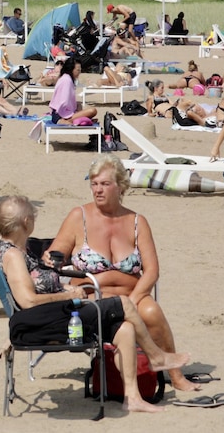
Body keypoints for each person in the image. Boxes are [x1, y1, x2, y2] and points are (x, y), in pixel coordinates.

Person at [0, 195, 190, 412]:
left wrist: (66, 289)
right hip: (47, 321)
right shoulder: (12, 255)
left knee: (124, 329)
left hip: (49, 314)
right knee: (122, 304)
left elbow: (34, 289)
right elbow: (28, 301)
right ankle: (156, 356)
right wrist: (67, 296)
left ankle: (132, 398)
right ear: (27, 223)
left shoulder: (16, 250)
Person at [44, 156, 198, 392]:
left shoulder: (137, 221)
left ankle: (175, 376)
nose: (98, 190)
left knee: (152, 311)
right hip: (93, 296)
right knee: (123, 312)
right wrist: (51, 256)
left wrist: (133, 300)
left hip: (132, 293)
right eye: (94, 184)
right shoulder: (79, 217)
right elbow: (57, 252)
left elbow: (152, 270)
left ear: (120, 186)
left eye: (105, 184)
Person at [49, 58, 96, 125]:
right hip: (61, 115)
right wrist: (73, 113)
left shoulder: (66, 78)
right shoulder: (67, 80)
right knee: (93, 111)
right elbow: (64, 102)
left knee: (82, 106)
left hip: (59, 112)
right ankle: (67, 121)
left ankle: (79, 119)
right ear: (71, 69)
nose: (79, 72)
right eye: (78, 70)